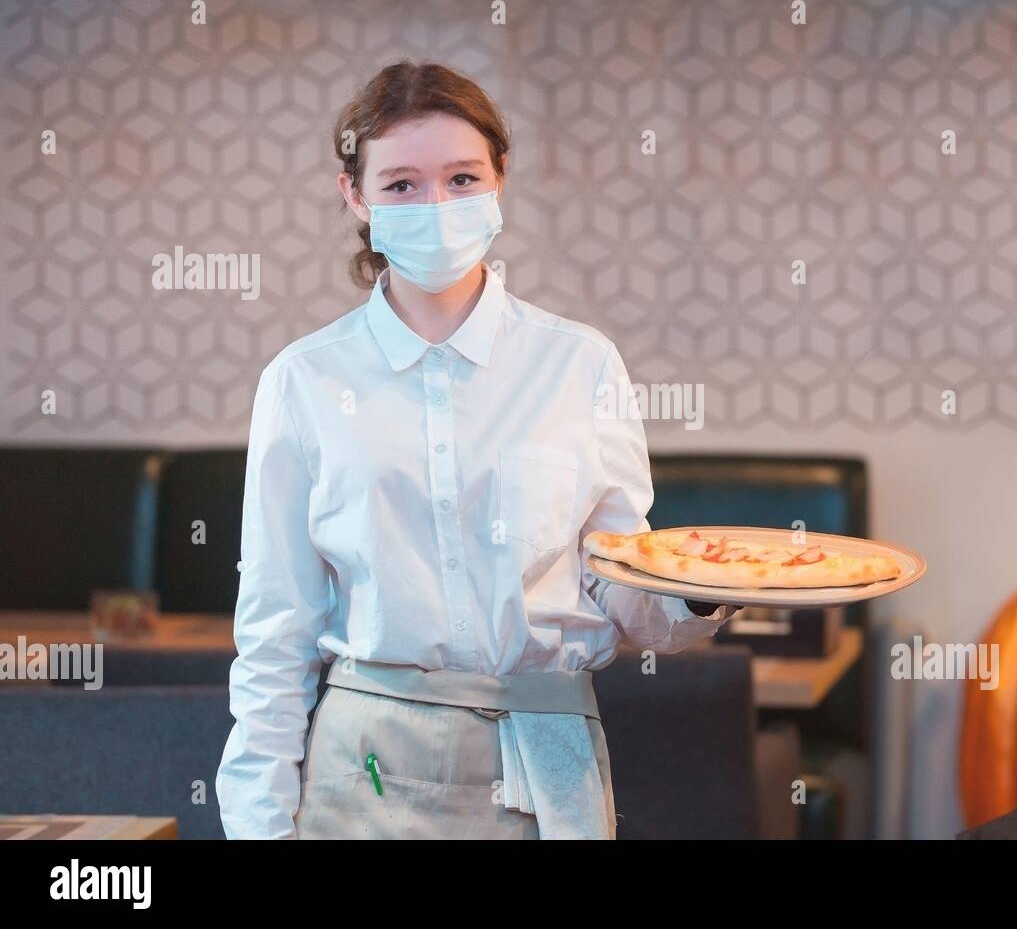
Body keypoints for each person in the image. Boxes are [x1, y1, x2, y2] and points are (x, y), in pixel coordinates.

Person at [215, 60, 742, 839]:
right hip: (362, 767)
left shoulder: (581, 364)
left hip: (544, 762)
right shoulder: (304, 381)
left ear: (499, 181)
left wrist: (695, 590)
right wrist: (258, 826)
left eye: (462, 178)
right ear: (354, 196)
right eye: (401, 184)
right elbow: (274, 631)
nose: (436, 205)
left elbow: (622, 594)